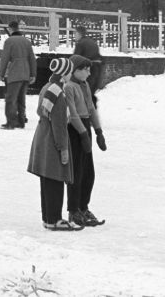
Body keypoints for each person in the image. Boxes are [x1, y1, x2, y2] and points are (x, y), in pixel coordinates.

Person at [27, 57, 79, 231]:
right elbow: (59, 125)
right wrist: (63, 148)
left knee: (47, 180)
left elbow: (39, 111)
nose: (71, 74)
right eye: (69, 71)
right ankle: (55, 219)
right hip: (52, 141)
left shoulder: (46, 88)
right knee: (56, 179)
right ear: (64, 73)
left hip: (42, 137)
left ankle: (48, 218)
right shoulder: (59, 93)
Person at [64, 55, 106, 227]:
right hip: (75, 130)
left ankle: (83, 206)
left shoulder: (85, 85)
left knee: (89, 173)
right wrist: (82, 134)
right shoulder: (69, 88)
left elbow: (90, 108)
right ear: (76, 70)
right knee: (77, 172)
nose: (89, 73)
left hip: (85, 126)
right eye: (86, 69)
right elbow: (72, 114)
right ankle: (74, 210)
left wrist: (98, 131)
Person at [0, 21, 37, 130]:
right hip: (25, 73)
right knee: (21, 99)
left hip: (14, 73)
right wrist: (33, 74)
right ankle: (21, 121)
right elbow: (32, 58)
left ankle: (11, 122)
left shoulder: (9, 41)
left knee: (10, 99)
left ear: (10, 29)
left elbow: (5, 59)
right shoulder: (26, 41)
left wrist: (2, 73)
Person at [71, 25, 105, 97]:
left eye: (75, 33)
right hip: (97, 69)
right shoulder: (93, 42)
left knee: (83, 94)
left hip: (87, 70)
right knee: (90, 93)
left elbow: (75, 59)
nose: (74, 35)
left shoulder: (80, 43)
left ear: (79, 34)